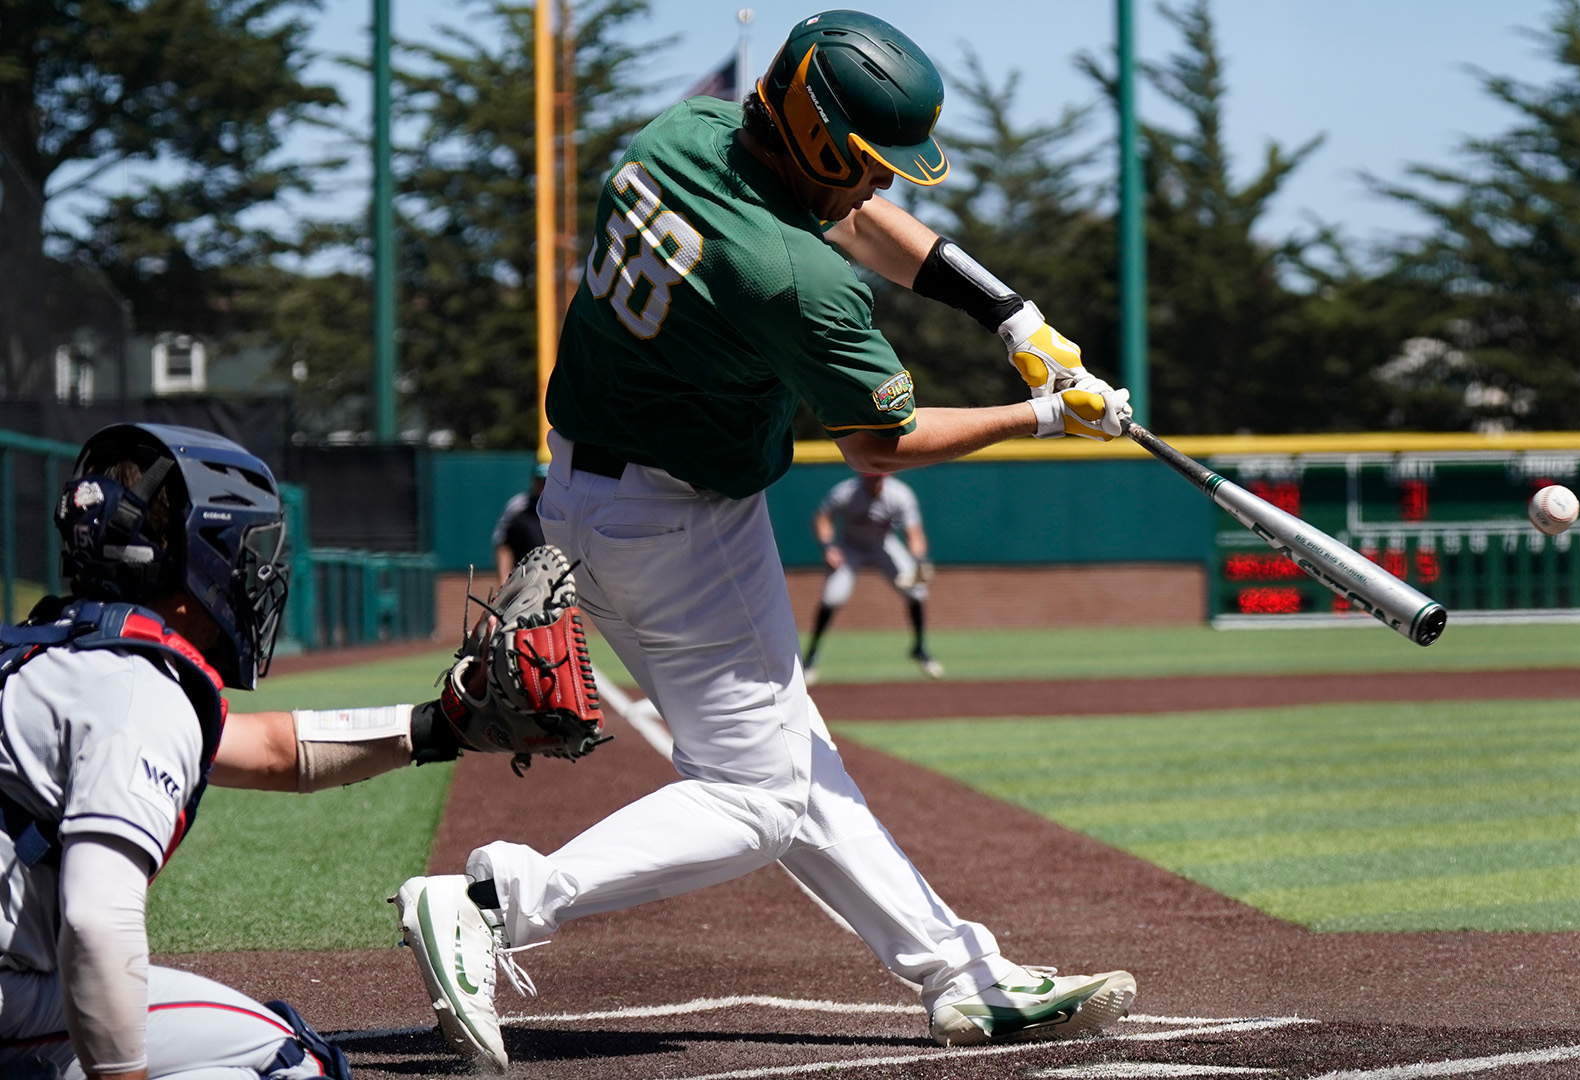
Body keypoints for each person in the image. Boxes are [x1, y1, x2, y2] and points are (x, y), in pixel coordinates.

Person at [391, 10, 1137, 1072]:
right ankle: (494, 903)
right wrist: (1046, 419)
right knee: (759, 795)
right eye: (868, 165)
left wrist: (1005, 313)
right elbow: (884, 442)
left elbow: (846, 220)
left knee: (791, 752)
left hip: (593, 490)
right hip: (672, 525)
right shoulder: (796, 278)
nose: (880, 189)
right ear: (823, 143)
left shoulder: (683, 132)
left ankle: (957, 973)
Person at [0, 422, 501, 1079]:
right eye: (240, 548)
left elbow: (267, 750)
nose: (252, 573)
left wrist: (446, 726)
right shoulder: (139, 691)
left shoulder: (48, 652)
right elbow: (96, 921)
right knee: (292, 1064)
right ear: (195, 558)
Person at [803, 470, 940, 684]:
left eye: (878, 476)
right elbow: (823, 517)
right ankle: (811, 655)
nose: (874, 480)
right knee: (832, 597)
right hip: (851, 547)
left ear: (886, 476)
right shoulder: (846, 491)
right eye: (870, 476)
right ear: (863, 476)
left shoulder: (900, 494)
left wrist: (919, 560)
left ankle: (920, 648)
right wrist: (828, 547)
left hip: (882, 544)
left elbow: (914, 532)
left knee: (916, 591)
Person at [492, 461, 548, 583]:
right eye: (540, 482)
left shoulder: (563, 508)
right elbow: (503, 544)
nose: (543, 487)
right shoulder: (519, 506)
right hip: (525, 576)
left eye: (546, 482)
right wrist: (504, 581)